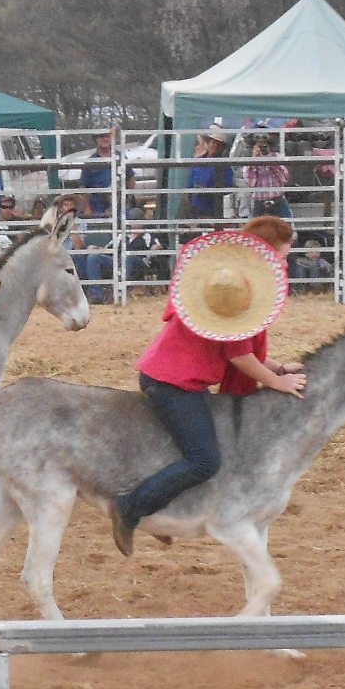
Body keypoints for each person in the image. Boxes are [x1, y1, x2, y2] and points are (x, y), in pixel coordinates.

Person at [110, 215, 306, 557]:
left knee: (203, 448)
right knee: (204, 461)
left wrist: (278, 367)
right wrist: (278, 380)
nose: (284, 265)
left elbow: (240, 351)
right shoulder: (233, 294)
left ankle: (159, 510)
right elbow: (239, 357)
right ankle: (131, 508)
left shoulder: (227, 282)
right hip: (173, 383)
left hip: (173, 377)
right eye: (282, 257)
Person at [183, 125, 233, 219]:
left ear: (222, 148)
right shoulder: (198, 162)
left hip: (212, 210)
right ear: (208, 143)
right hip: (194, 208)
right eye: (213, 142)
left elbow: (228, 186)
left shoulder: (224, 165)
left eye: (219, 144)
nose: (215, 146)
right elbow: (189, 184)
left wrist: (207, 191)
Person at [244, 134, 292, 217]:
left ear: (269, 146)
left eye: (264, 146)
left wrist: (271, 162)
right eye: (259, 146)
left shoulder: (276, 157)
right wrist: (254, 163)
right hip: (259, 202)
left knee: (286, 224)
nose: (262, 148)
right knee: (256, 225)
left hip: (278, 200)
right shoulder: (249, 160)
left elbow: (285, 178)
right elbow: (250, 183)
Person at [80, 131, 115, 219]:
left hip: (120, 207)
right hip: (98, 208)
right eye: (101, 136)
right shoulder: (90, 162)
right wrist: (87, 209)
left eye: (108, 136)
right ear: (96, 140)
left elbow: (130, 180)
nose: (105, 139)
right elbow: (83, 187)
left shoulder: (120, 157)